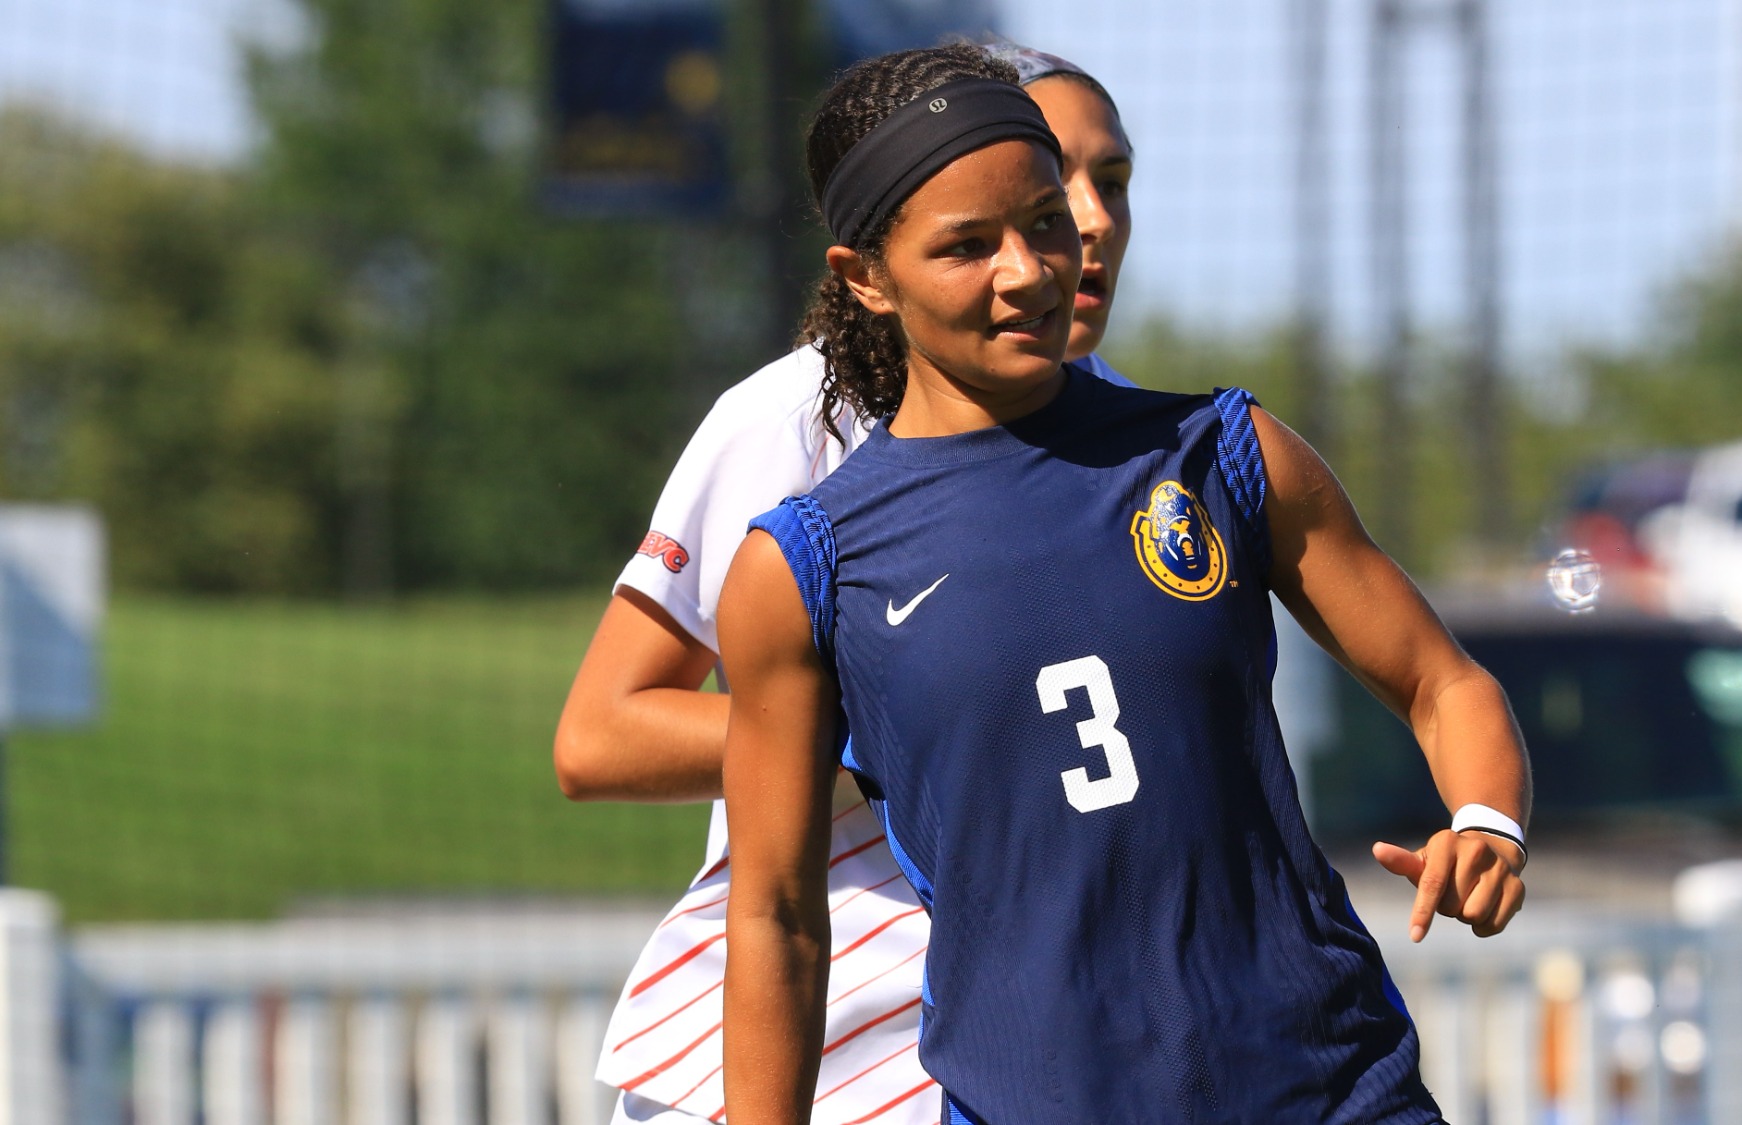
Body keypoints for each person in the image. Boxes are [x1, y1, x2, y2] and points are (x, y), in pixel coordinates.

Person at [717, 45, 1530, 1125]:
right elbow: (774, 913)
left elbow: (1445, 686)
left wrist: (1485, 819)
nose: (1030, 269)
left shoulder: (1223, 451)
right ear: (867, 277)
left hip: (1333, 1095)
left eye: (1043, 221)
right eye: (966, 247)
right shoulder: (804, 564)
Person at [554, 43, 1137, 1123]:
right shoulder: (795, 419)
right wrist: (878, 731)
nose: (1090, 219)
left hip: (1019, 1054)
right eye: (1058, 181)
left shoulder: (1138, 446)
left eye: (1110, 183)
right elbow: (599, 736)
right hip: (793, 1063)